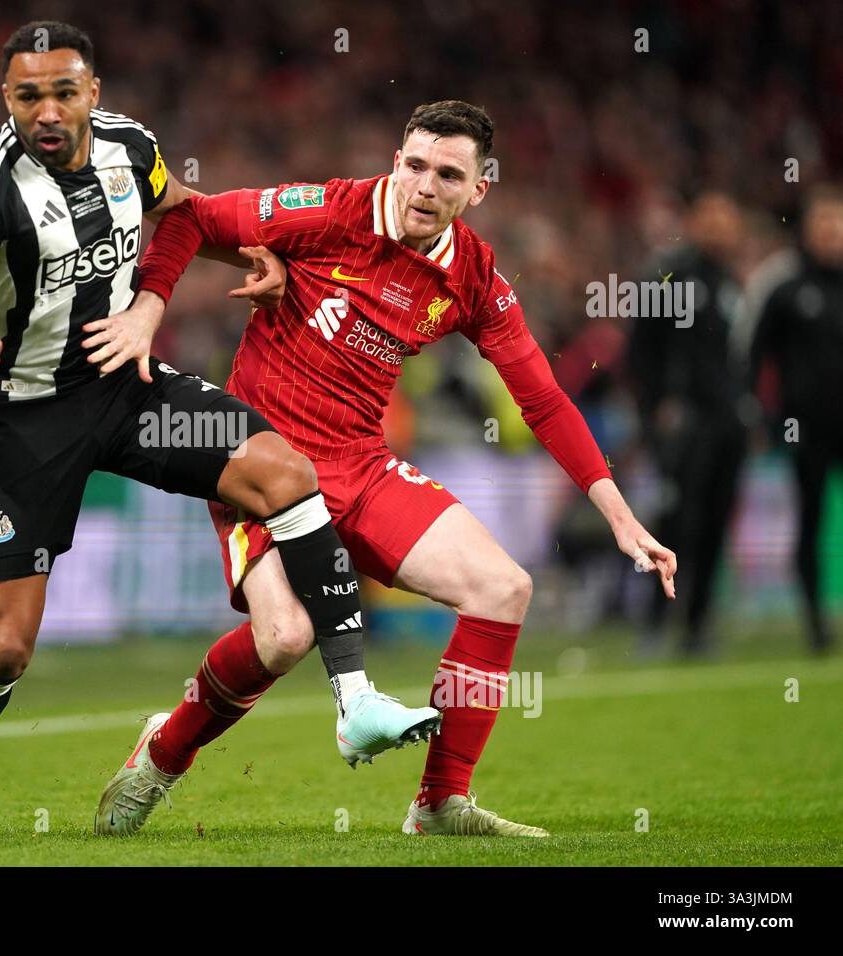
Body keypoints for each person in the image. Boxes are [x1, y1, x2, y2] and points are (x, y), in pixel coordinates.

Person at [0, 21, 436, 838]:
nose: (49, 111)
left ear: (93, 93)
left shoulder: (130, 147)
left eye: (65, 91)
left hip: (125, 382)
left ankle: (354, 698)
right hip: (24, 421)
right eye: (29, 96)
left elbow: (182, 212)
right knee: (3, 652)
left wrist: (253, 253)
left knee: (286, 473)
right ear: (8, 101)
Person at [90, 100, 677, 837]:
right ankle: (164, 754)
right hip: (259, 459)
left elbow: (544, 400)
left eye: (449, 175)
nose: (426, 186)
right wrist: (151, 309)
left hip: (359, 463)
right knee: (286, 638)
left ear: (477, 191)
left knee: (502, 588)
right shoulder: (330, 211)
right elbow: (193, 217)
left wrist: (620, 515)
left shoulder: (472, 274)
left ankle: (439, 803)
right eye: (416, 166)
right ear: (396, 162)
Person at [626, 192, 748, 656]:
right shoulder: (668, 273)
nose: (720, 227)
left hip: (726, 423)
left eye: (727, 218)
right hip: (683, 424)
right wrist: (658, 407)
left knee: (717, 522)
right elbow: (640, 350)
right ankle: (655, 624)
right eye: (711, 216)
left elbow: (742, 357)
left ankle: (698, 627)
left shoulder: (732, 281)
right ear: (694, 221)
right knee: (676, 522)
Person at [748, 185, 843, 654]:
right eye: (822, 223)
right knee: (811, 521)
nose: (830, 232)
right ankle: (817, 628)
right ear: (808, 230)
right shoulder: (785, 289)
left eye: (836, 223)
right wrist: (760, 416)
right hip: (806, 429)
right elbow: (753, 356)